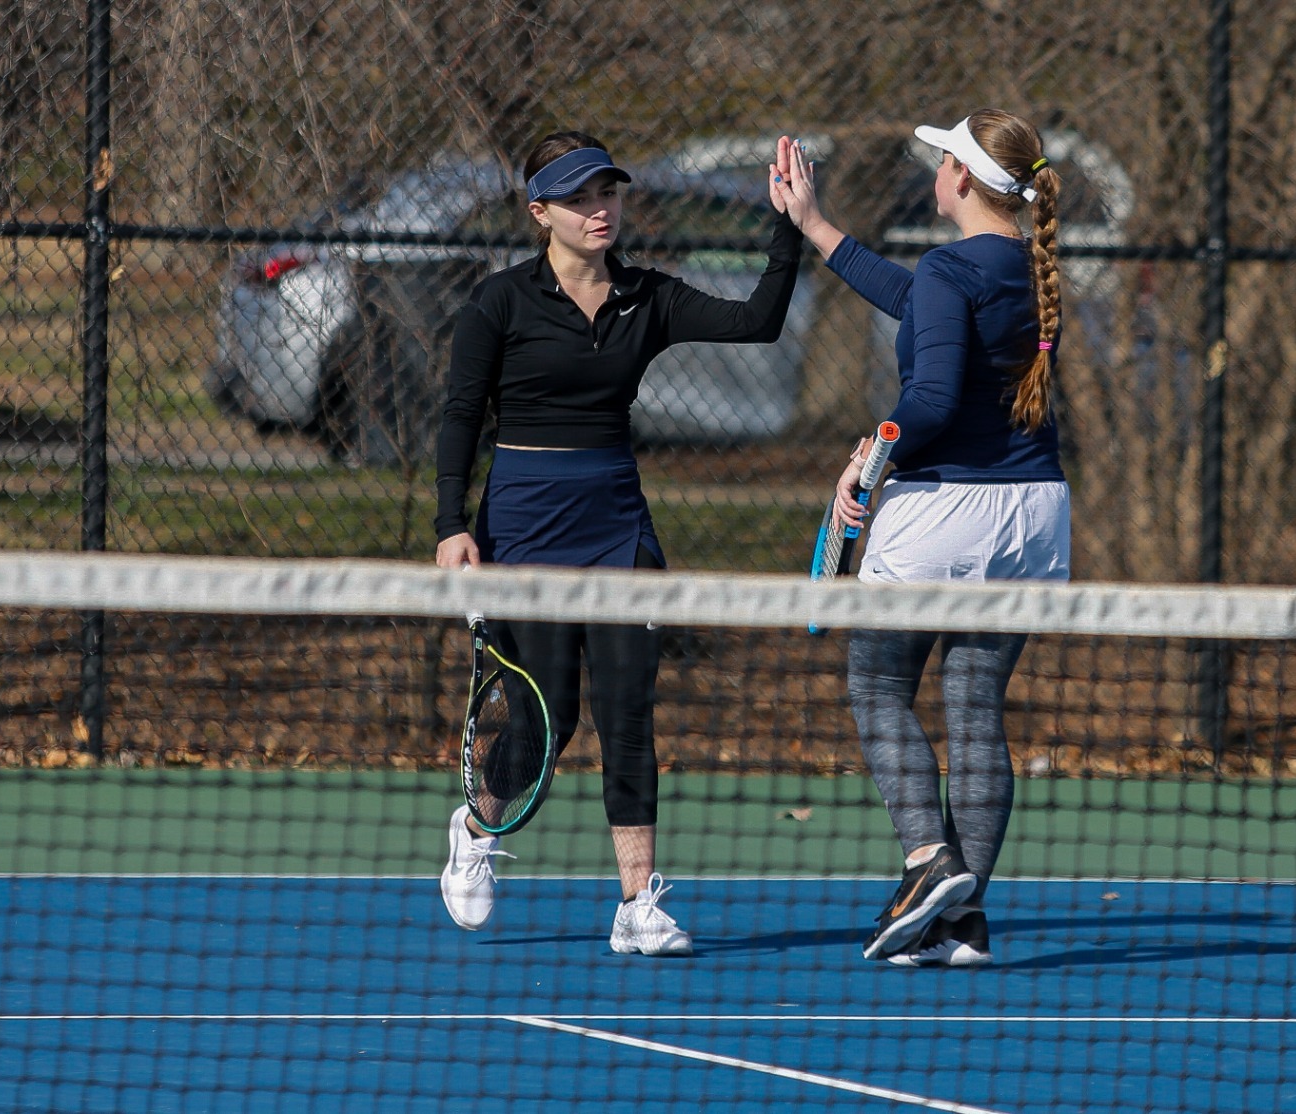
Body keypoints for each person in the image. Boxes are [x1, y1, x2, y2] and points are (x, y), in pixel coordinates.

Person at [435, 131, 802, 955]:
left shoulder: (650, 297)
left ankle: (638, 902)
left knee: (629, 713)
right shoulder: (498, 303)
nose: (601, 210)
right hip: (522, 530)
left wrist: (786, 224)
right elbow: (461, 416)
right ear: (541, 214)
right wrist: (450, 525)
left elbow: (759, 320)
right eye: (580, 198)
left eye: (609, 193)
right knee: (547, 719)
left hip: (616, 529)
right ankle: (476, 827)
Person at [773, 113, 1069, 966]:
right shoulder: (1033, 268)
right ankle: (963, 921)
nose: (936, 170)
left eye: (944, 160)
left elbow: (932, 398)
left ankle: (926, 860)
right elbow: (917, 304)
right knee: (975, 710)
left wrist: (872, 458)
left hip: (946, 516)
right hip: (1035, 518)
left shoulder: (951, 267)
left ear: (964, 182)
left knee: (876, 688)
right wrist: (815, 223)